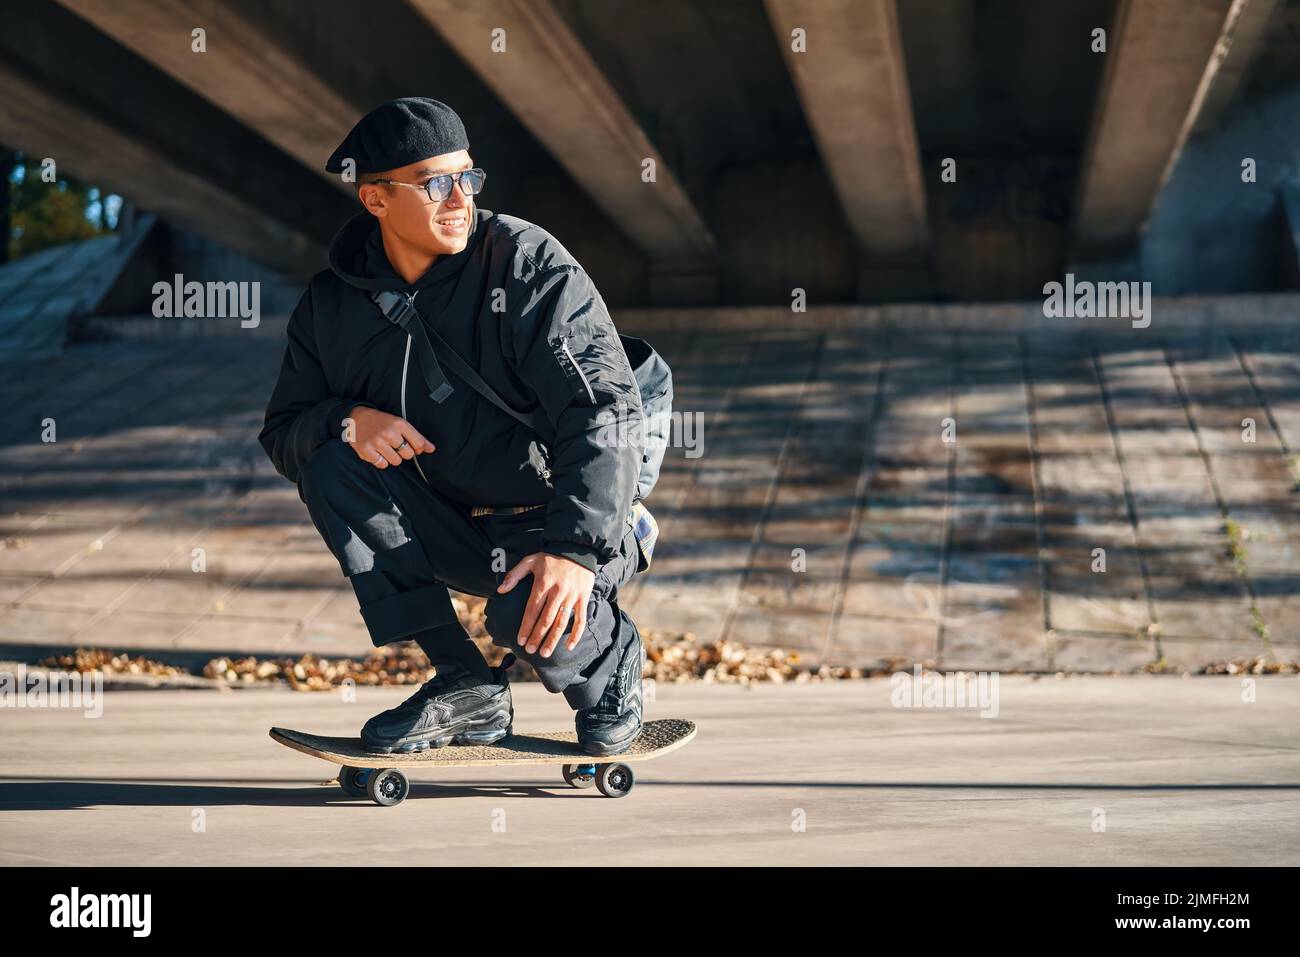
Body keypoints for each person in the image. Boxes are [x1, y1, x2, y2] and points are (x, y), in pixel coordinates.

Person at [258, 97, 648, 757]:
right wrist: (346, 419)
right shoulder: (332, 306)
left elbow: (604, 410)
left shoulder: (524, 265)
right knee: (330, 463)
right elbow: (284, 432)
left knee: (522, 616)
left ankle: (613, 663)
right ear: (376, 199)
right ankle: (465, 682)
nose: (459, 197)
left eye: (468, 177)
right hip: (447, 520)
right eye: (435, 182)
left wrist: (577, 551)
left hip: (549, 517)